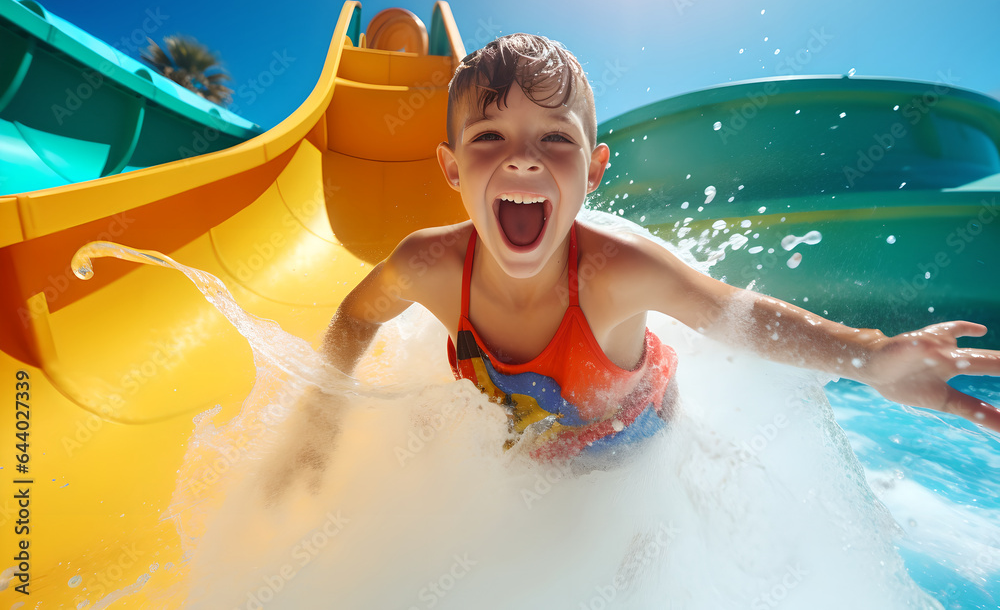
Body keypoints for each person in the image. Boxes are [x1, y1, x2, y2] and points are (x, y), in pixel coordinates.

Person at [320, 33, 1000, 461]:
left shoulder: (616, 272)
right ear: (449, 169)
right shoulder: (426, 264)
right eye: (489, 137)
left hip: (634, 441)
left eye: (554, 138)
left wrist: (873, 356)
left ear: (593, 171)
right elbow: (355, 317)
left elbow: (737, 313)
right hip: (525, 442)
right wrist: (318, 419)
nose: (523, 160)